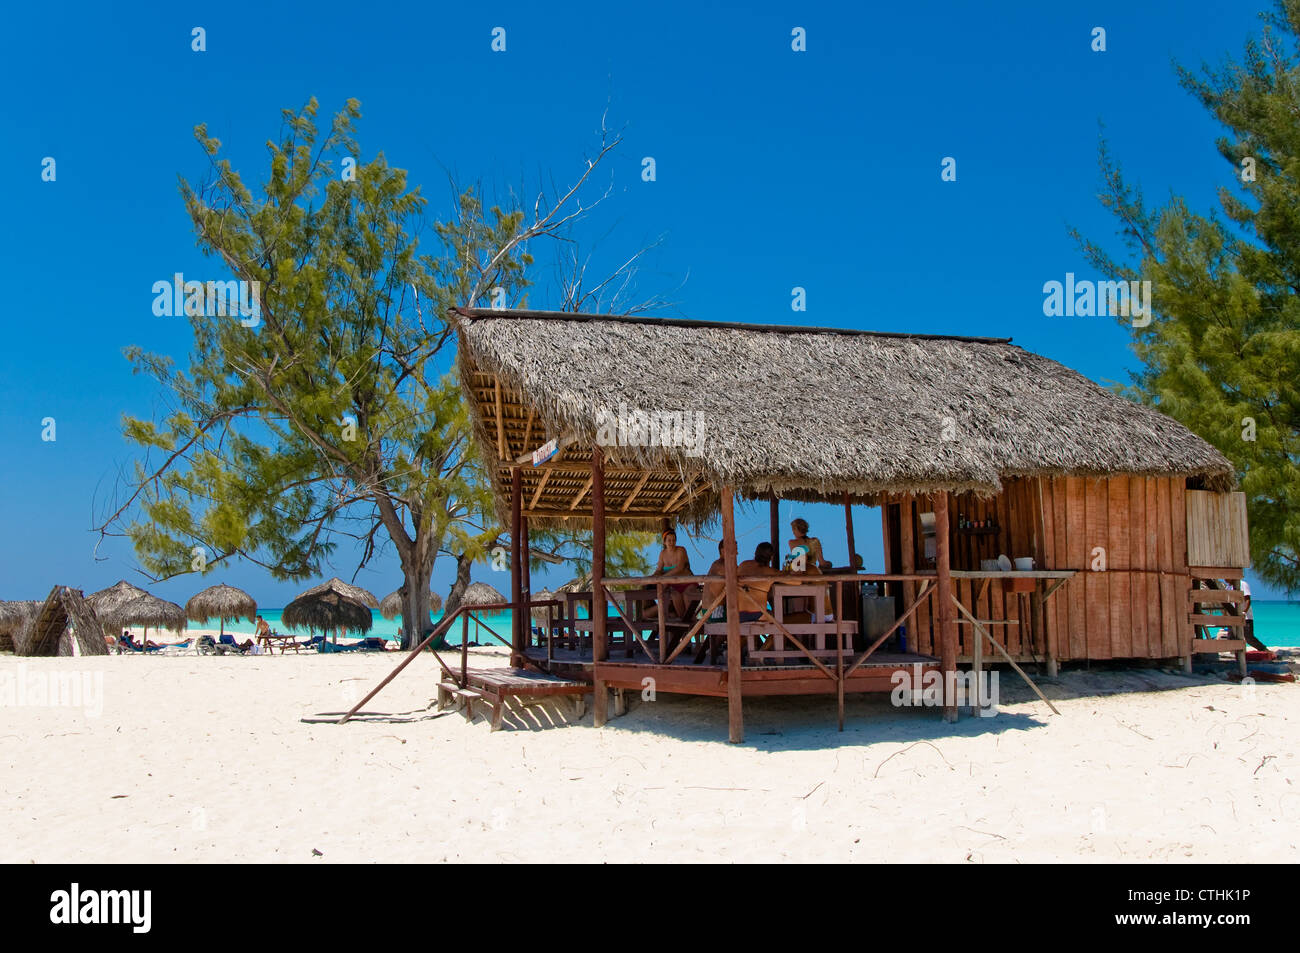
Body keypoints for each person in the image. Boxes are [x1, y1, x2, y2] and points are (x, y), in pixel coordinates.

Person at [647, 529, 694, 620]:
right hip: (674, 586)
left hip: (687, 583)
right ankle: (685, 627)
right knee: (676, 599)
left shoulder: (681, 550)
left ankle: (693, 625)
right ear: (664, 542)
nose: (672, 542)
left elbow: (680, 568)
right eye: (669, 540)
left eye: (673, 540)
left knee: (687, 598)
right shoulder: (662, 554)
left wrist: (664, 577)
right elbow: (659, 570)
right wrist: (651, 578)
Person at [736, 542, 782, 621]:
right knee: (779, 618)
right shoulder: (770, 572)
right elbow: (797, 582)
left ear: (756, 553)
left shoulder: (743, 565)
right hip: (759, 615)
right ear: (771, 557)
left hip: (738, 614)